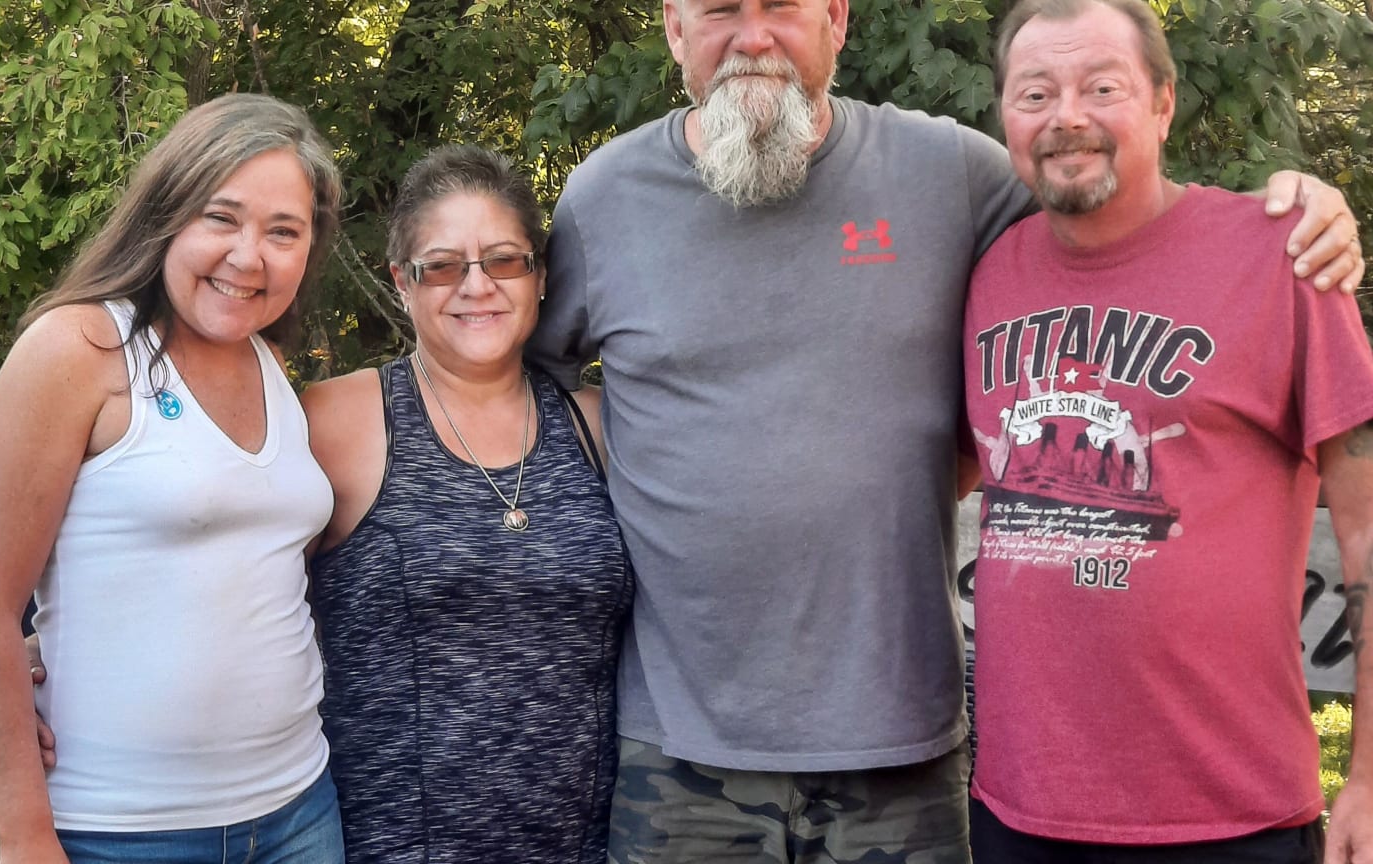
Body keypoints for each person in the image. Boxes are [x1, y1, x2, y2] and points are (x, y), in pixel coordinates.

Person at [524, 0, 1365, 860]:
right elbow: (521, 407)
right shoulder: (603, 200)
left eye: (782, 7)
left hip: (903, 747)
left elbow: (1107, 206)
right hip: (680, 749)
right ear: (672, 28)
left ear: (838, 21)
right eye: (721, 11)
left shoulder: (951, 175)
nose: (753, 35)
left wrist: (1295, 207)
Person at [961, 0, 1373, 861]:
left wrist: (1368, 776)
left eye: (1101, 85)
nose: (1067, 115)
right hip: (1018, 813)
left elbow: (1368, 529)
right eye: (1034, 92)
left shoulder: (1285, 257)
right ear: (1005, 115)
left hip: (1232, 816)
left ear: (1162, 102)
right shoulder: (989, 270)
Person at [0, 93, 345, 864]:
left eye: (283, 232)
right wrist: (26, 836)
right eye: (221, 218)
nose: (248, 255)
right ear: (167, 213)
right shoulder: (78, 349)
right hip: (116, 832)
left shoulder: (272, 367)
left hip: (299, 810)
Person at [299, 144, 632, 863]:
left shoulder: (600, 425)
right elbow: (221, 578)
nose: (476, 285)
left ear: (540, 278)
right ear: (402, 282)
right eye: (443, 265)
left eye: (504, 260)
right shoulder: (336, 422)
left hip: (585, 844)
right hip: (390, 844)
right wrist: (47, 644)